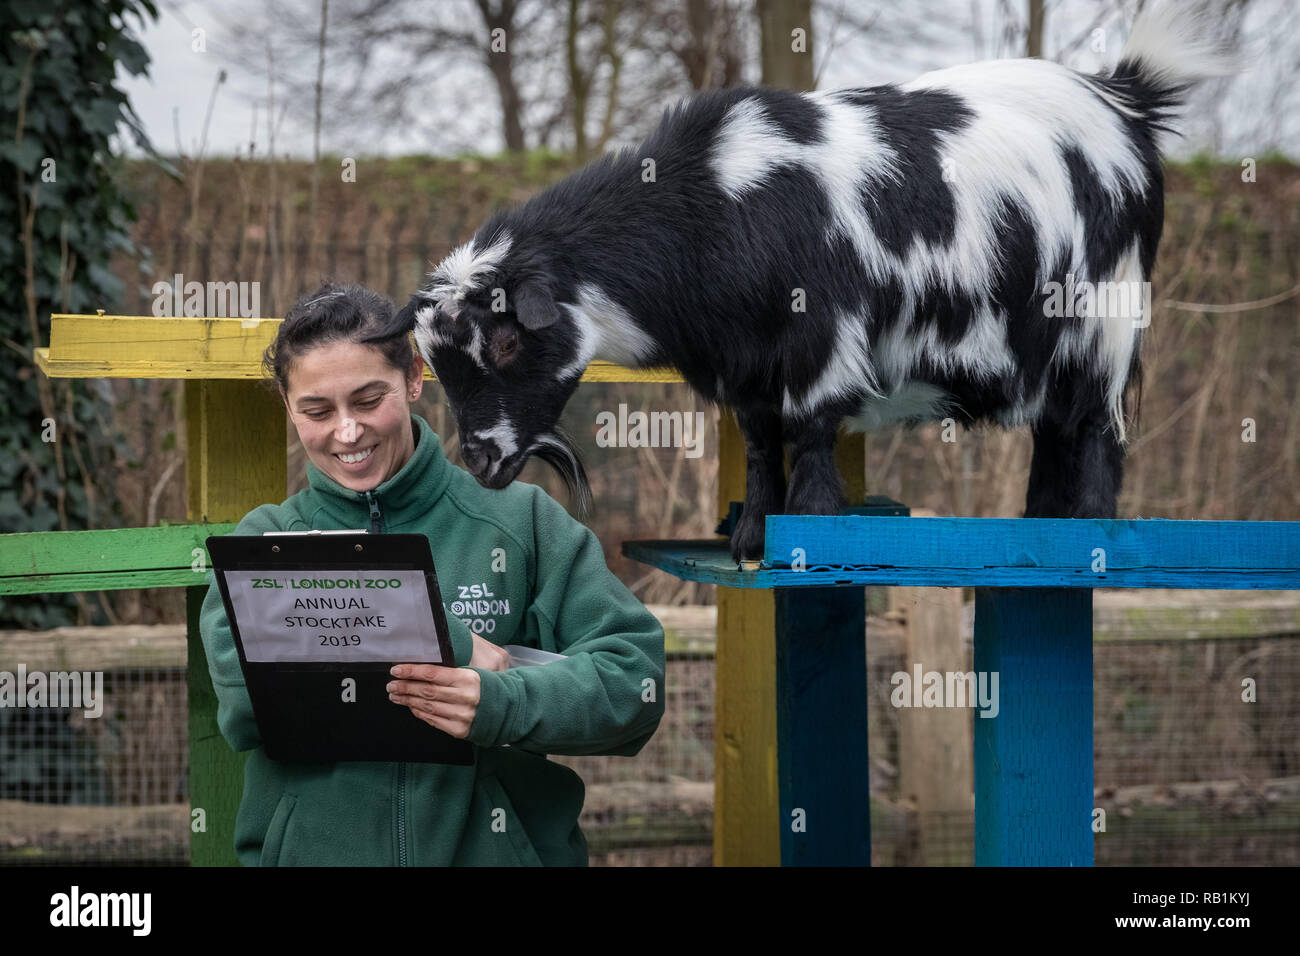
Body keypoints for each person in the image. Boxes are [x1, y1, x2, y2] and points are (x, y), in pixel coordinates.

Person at [198, 282, 666, 866]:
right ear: (290, 408)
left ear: (415, 377)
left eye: (369, 400)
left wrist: (503, 703)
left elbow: (634, 683)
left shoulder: (521, 522)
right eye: (317, 411)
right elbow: (247, 706)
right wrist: (452, 645)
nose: (347, 433)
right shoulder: (262, 543)